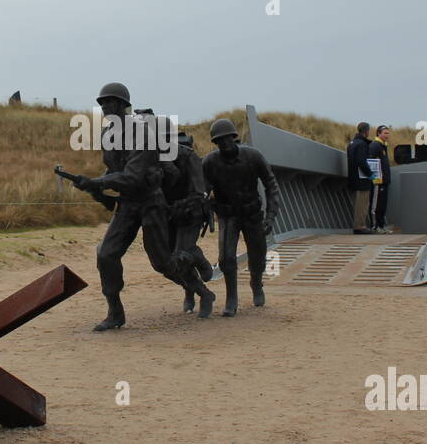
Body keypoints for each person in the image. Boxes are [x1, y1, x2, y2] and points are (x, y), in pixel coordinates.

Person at [79, 84, 214, 330]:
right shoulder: (108, 135)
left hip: (151, 203)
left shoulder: (142, 134)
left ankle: (201, 289)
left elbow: (134, 175)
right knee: (106, 254)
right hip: (128, 204)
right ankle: (115, 313)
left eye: (109, 102)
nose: (105, 107)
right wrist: (94, 185)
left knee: (162, 263)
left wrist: (100, 182)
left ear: (122, 105)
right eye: (102, 103)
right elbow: (115, 169)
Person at [202, 119, 280, 316]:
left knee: (258, 256)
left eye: (227, 139)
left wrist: (270, 217)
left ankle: (256, 283)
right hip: (228, 215)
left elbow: (271, 185)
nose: (224, 144)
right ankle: (231, 298)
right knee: (226, 258)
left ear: (234, 138)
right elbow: (201, 190)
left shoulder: (253, 156)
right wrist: (205, 205)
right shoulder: (210, 163)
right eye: (219, 141)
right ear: (216, 143)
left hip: (252, 214)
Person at [163, 130, 215, 313]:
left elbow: (200, 192)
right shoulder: (150, 158)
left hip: (191, 213)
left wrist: (183, 205)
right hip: (167, 216)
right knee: (166, 263)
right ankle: (191, 289)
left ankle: (199, 259)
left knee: (182, 254)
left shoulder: (189, 158)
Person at [347, 122, 374, 234]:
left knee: (357, 203)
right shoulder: (362, 144)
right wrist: (370, 174)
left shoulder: (352, 143)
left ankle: (358, 225)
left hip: (353, 177)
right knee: (362, 204)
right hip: (362, 180)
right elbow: (361, 162)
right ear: (366, 131)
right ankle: (359, 226)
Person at [367, 125, 392, 233]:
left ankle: (381, 226)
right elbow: (371, 162)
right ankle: (375, 226)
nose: (387, 135)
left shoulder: (383, 146)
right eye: (385, 133)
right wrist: (375, 178)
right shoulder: (375, 145)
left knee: (383, 204)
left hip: (385, 181)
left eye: (388, 133)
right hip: (378, 181)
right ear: (379, 133)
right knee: (376, 204)